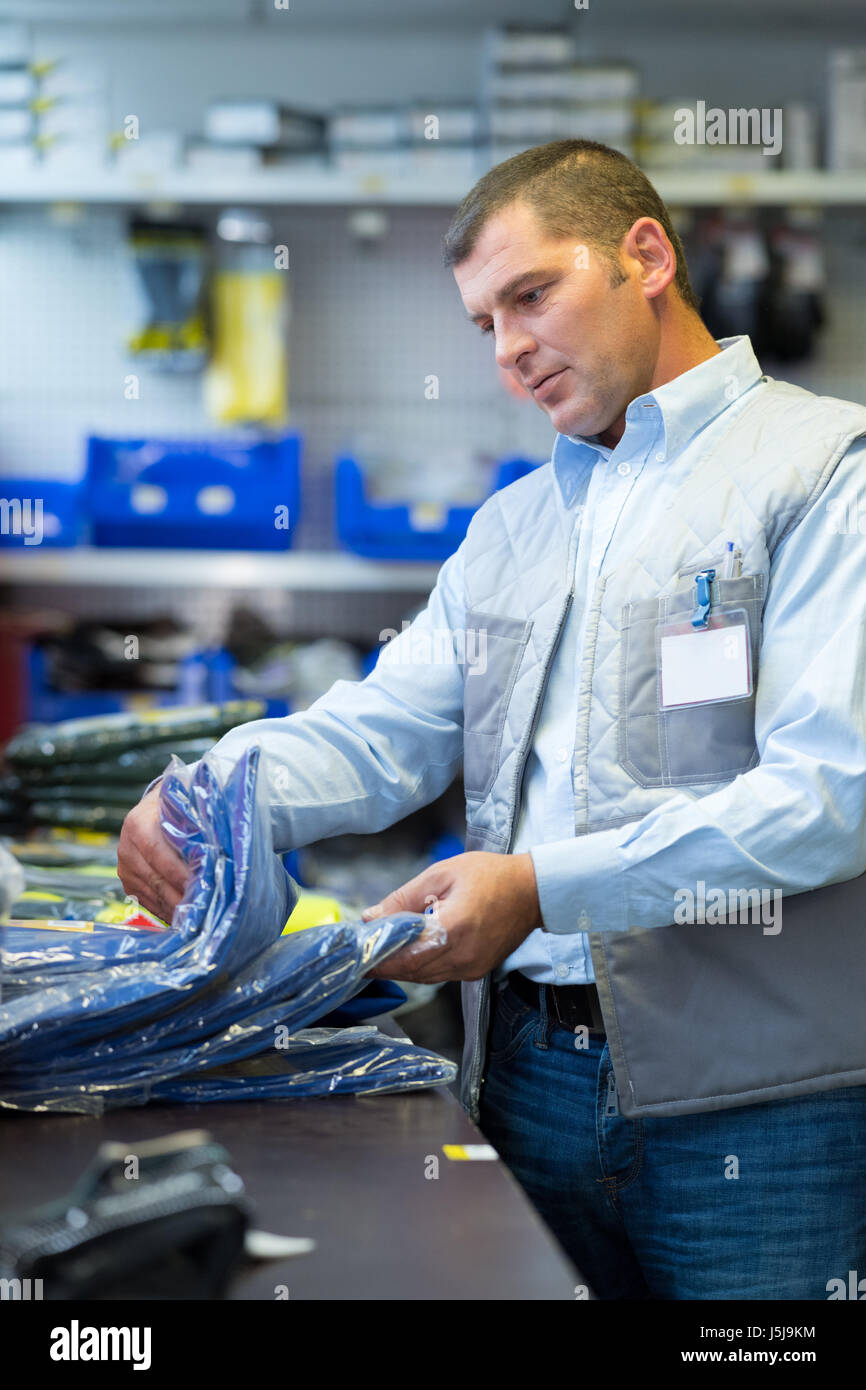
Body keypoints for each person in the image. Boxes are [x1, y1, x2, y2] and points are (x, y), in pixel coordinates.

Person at [119, 140, 866, 1300]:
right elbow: (385, 728)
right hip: (525, 1078)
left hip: (756, 1109)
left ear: (645, 256)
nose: (511, 350)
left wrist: (536, 887)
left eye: (533, 295)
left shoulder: (821, 470)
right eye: (485, 323)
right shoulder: (511, 527)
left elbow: (829, 796)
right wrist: (211, 788)